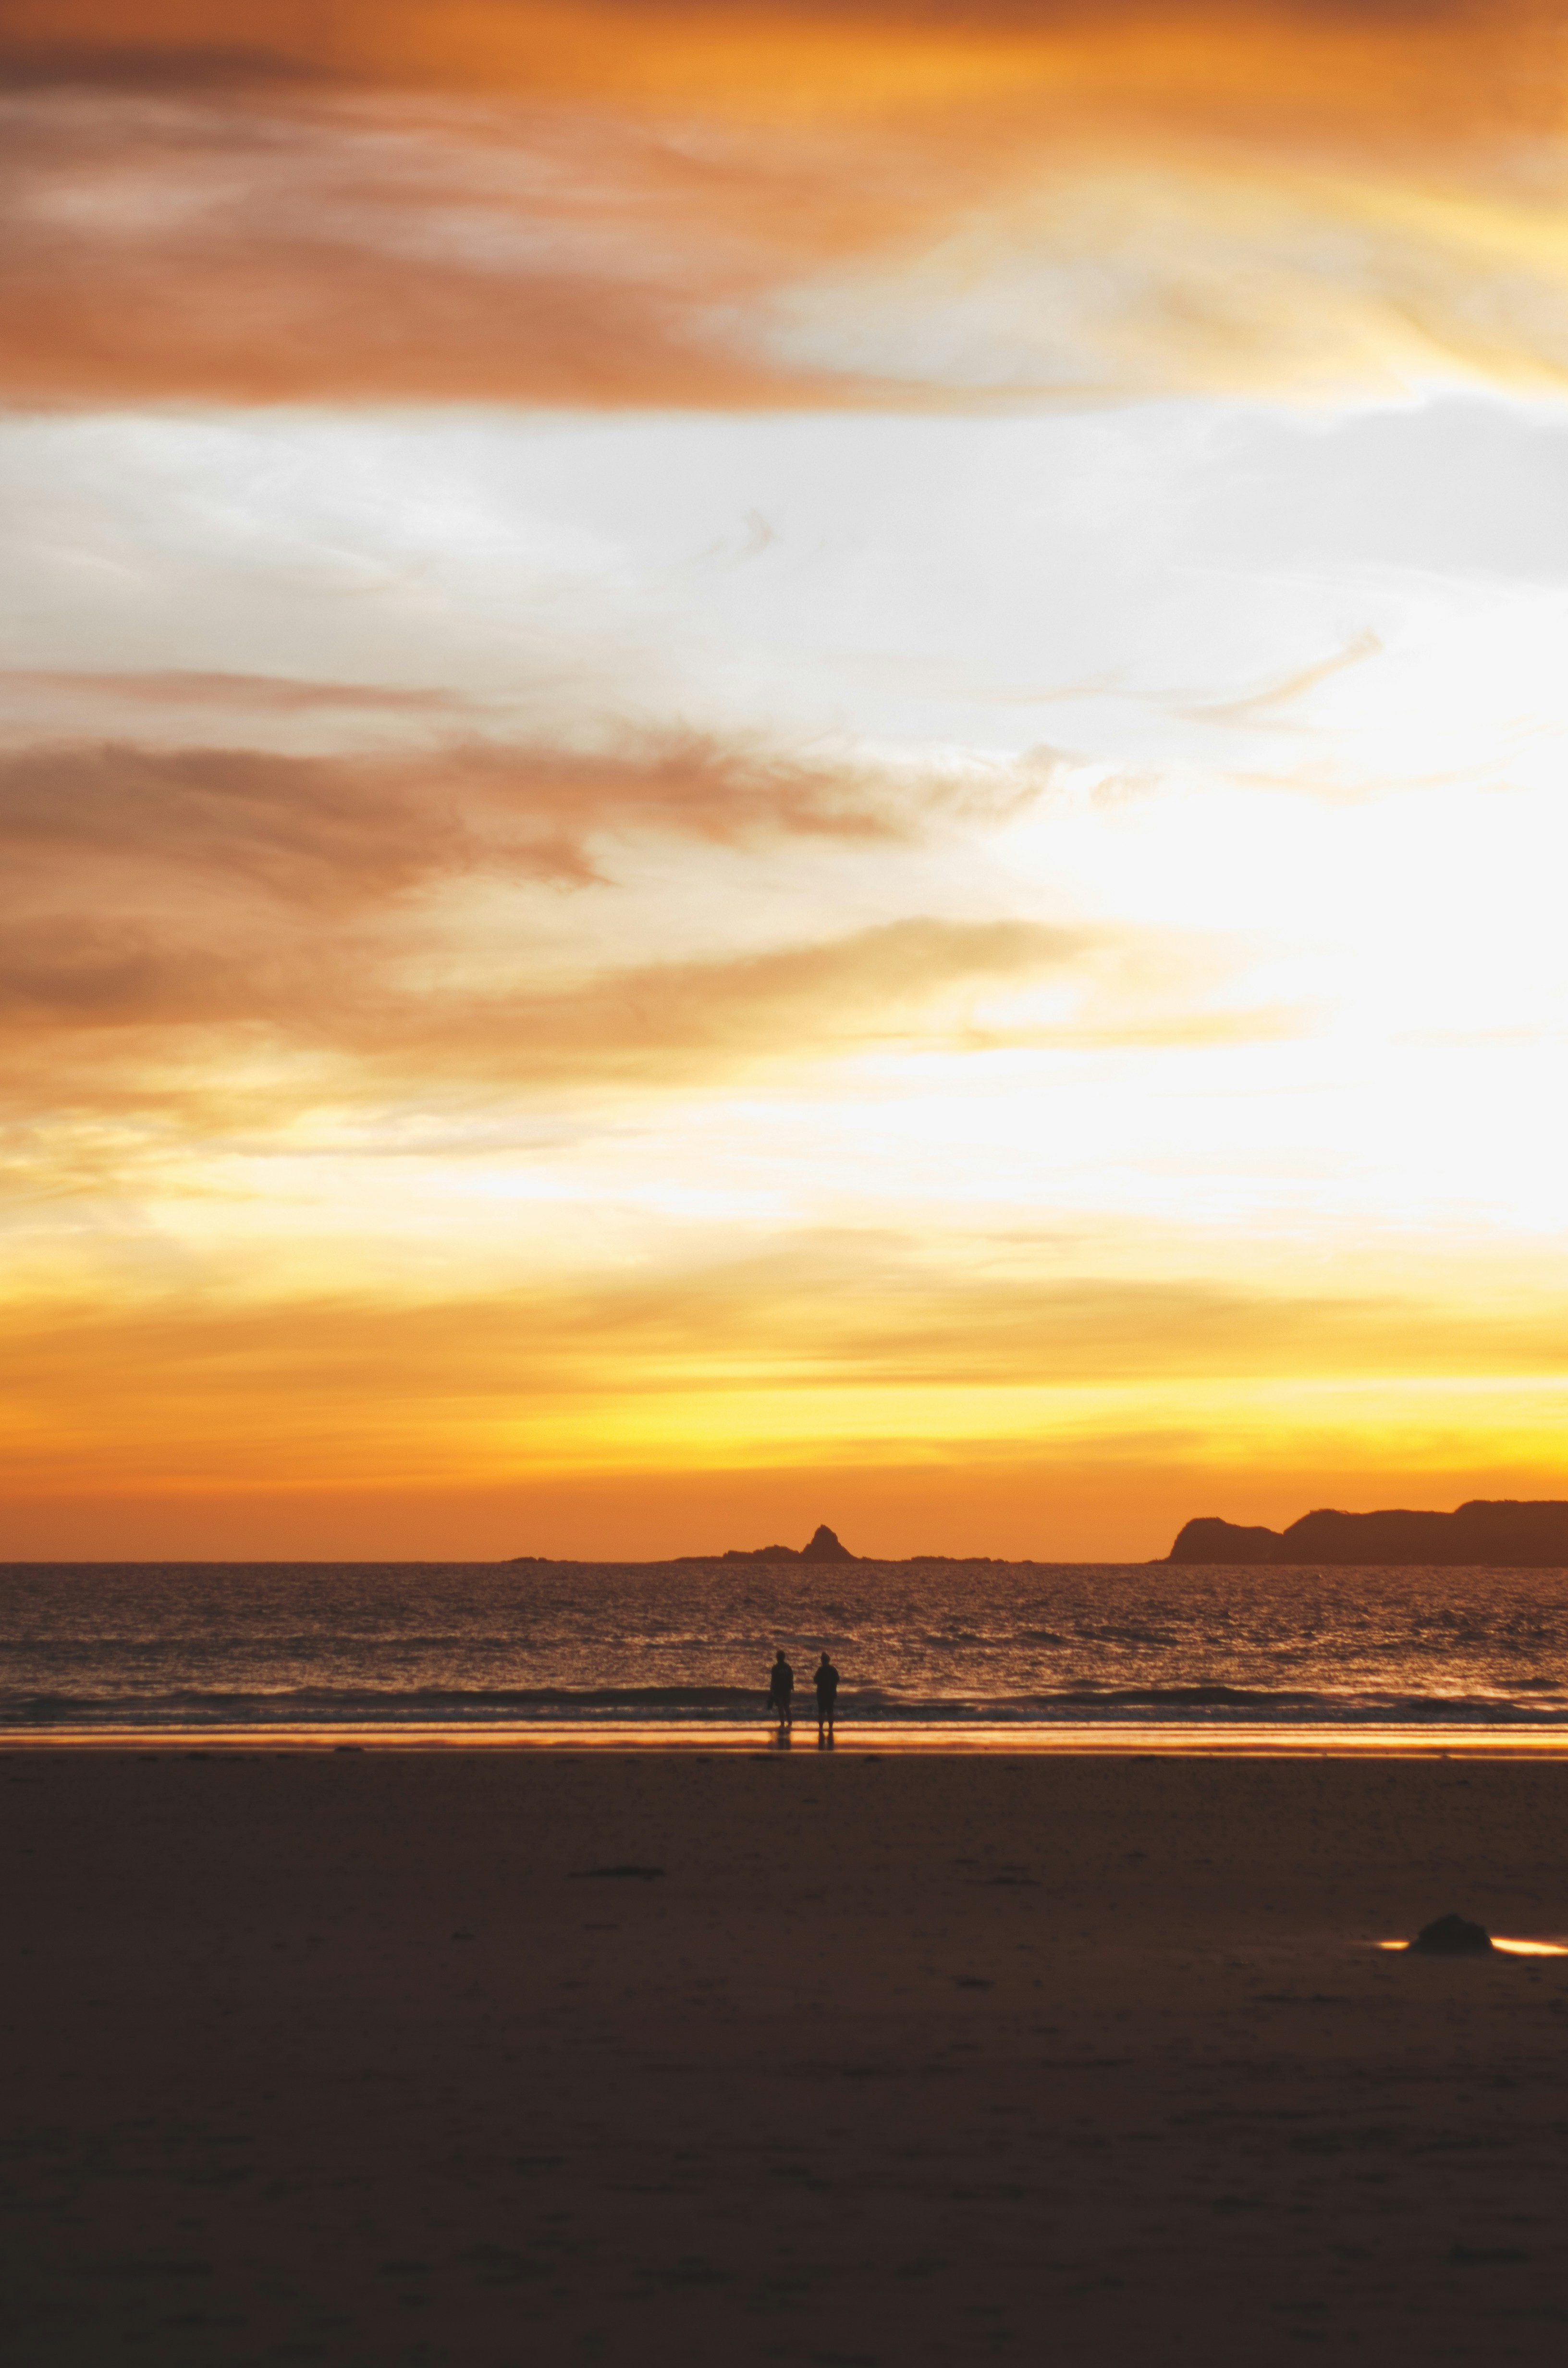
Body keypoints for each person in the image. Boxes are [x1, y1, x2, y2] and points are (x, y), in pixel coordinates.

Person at [814, 1651, 839, 1741]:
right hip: (831, 1692)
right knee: (830, 1710)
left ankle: (821, 1728)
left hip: (821, 1692)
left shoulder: (821, 1670)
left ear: (822, 1661)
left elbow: (815, 1680)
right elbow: (837, 1680)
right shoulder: (833, 1669)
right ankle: (830, 1728)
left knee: (821, 1710)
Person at [767, 1649, 794, 1728]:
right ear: (784, 1657)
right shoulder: (788, 1667)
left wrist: (771, 1691)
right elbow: (791, 1678)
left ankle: (782, 1723)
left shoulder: (775, 1668)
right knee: (787, 1706)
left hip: (778, 1689)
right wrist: (792, 1687)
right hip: (787, 1689)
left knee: (781, 1707)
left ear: (777, 1658)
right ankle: (790, 1723)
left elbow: (773, 1680)